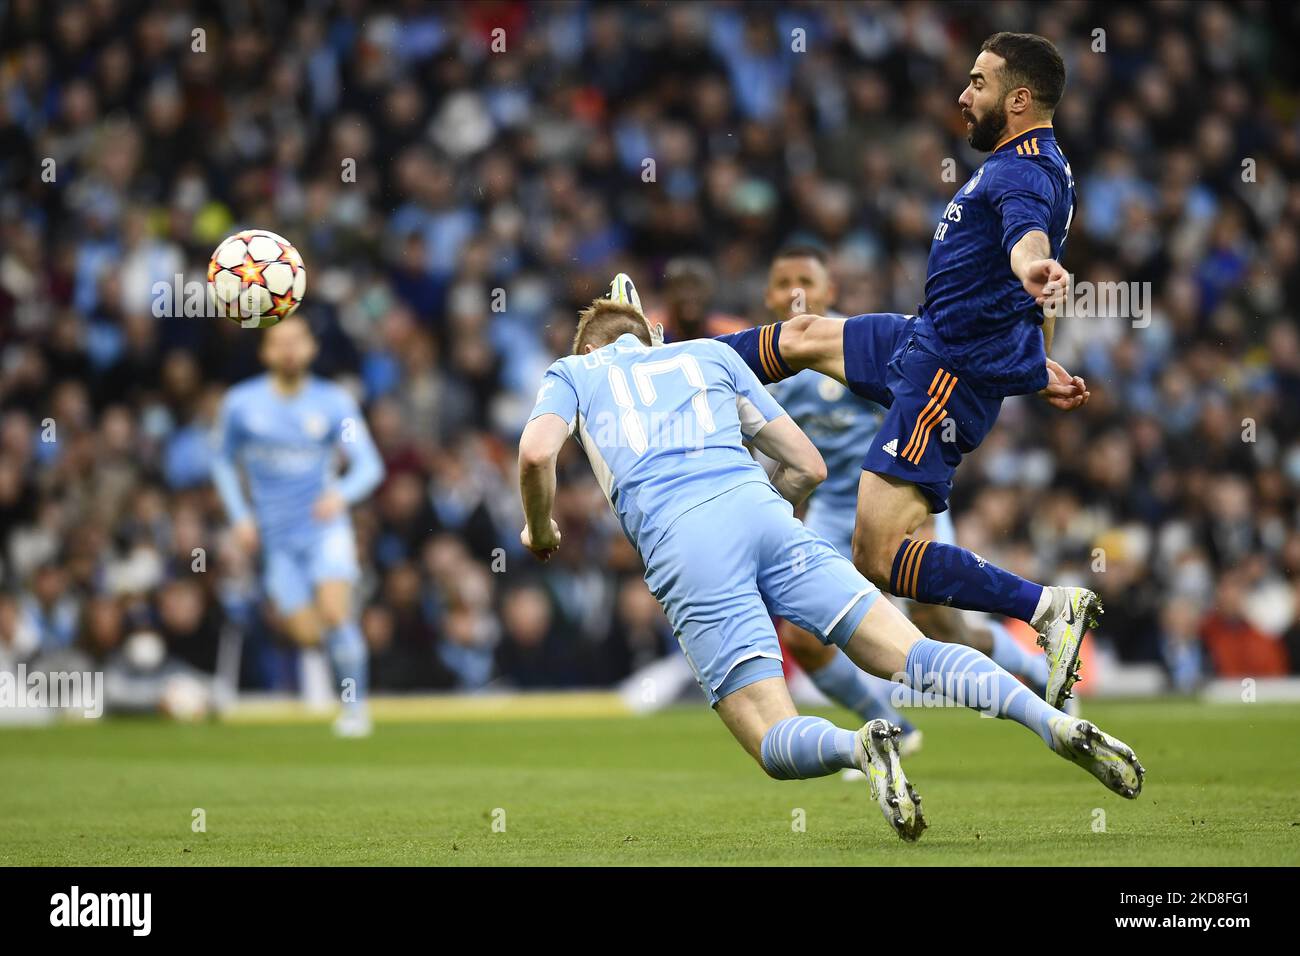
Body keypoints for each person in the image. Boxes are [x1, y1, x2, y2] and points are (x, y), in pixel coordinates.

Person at [517, 296, 1143, 842]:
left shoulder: (571, 372)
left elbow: (535, 452)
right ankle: (1054, 722)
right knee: (915, 653)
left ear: (589, 346)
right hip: (764, 513)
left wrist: (540, 529)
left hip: (686, 544)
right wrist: (767, 516)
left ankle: (857, 746)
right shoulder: (705, 355)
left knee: (770, 736)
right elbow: (808, 467)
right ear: (648, 333)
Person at [717, 32, 1093, 710]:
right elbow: (1024, 286)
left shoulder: (1024, 173)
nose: (962, 93)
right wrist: (1037, 362)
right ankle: (675, 361)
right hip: (925, 341)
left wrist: (1030, 266)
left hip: (945, 376)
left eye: (977, 82)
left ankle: (1045, 608)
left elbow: (1027, 247)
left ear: (1018, 99)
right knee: (802, 335)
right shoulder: (1034, 163)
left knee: (879, 556)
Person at [211, 316, 384, 737]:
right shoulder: (241, 404)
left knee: (335, 612)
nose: (289, 349)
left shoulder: (334, 403)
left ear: (311, 349)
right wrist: (240, 517)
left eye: (297, 341)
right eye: (279, 342)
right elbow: (220, 460)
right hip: (275, 537)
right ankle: (343, 664)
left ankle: (354, 708)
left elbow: (369, 464)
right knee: (307, 634)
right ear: (265, 352)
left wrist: (339, 495)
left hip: (324, 528)